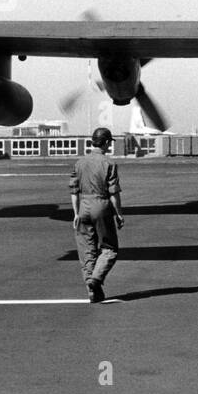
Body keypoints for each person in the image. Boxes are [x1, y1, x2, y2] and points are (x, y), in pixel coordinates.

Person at [69, 127, 125, 302]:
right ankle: (96, 279)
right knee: (109, 249)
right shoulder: (109, 163)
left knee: (87, 251)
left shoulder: (79, 163)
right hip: (101, 205)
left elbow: (74, 191)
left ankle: (93, 291)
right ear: (106, 142)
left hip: (83, 207)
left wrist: (76, 213)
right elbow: (113, 193)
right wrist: (119, 214)